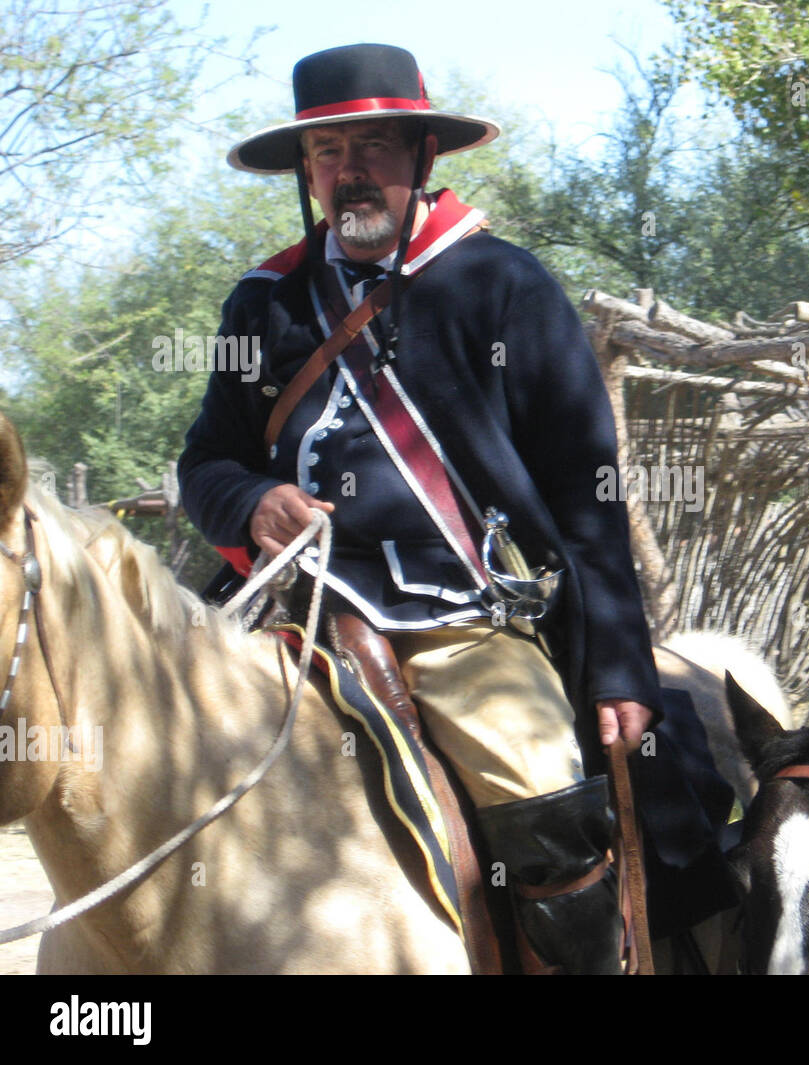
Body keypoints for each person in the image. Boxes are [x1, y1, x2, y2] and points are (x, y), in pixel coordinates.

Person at [178, 43, 660, 974]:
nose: (348, 168)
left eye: (372, 146)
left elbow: (586, 490)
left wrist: (620, 665)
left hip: (454, 620)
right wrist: (250, 500)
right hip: (289, 614)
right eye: (326, 151)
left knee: (544, 797)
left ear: (421, 156)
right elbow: (207, 459)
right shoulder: (261, 306)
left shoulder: (506, 286)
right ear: (307, 172)